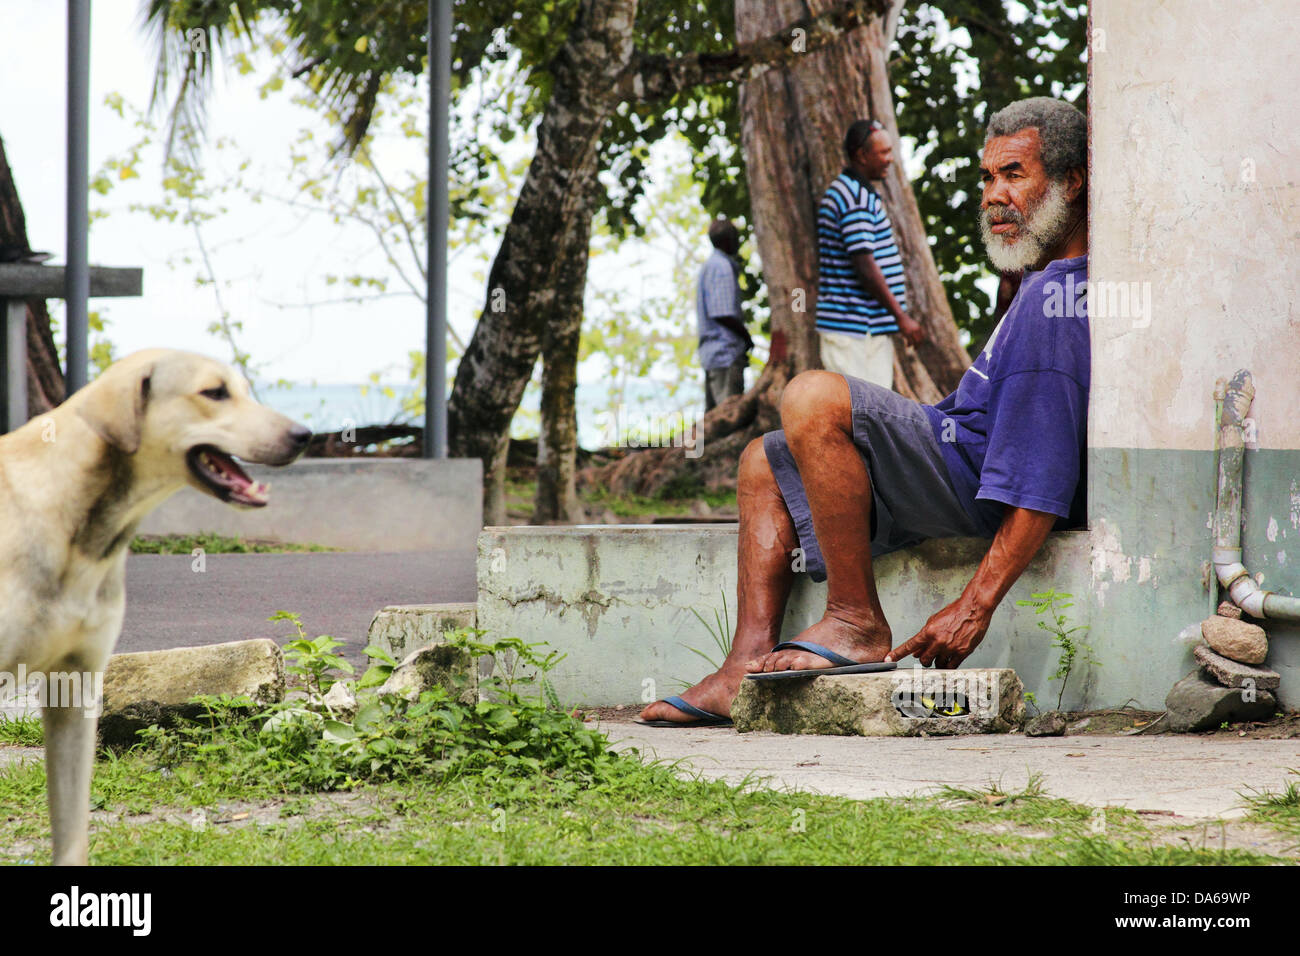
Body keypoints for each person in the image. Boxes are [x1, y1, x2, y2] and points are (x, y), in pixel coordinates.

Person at [640, 96, 1089, 726]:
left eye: (1014, 174)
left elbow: (1043, 476)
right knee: (761, 462)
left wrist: (974, 604)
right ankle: (743, 663)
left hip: (975, 477)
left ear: (1071, 182)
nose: (992, 194)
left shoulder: (1057, 295)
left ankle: (856, 621)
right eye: (987, 177)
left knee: (811, 396)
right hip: (955, 451)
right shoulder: (1040, 281)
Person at [814, 119, 926, 389]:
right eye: (883, 153)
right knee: (862, 417)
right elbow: (864, 264)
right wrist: (901, 317)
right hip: (855, 333)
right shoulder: (855, 198)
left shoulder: (853, 192)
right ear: (862, 155)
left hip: (861, 331)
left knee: (866, 415)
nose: (890, 159)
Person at [696, 218, 753, 412]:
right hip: (725, 353)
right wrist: (746, 338)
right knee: (728, 414)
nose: (738, 243)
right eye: (736, 238)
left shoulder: (709, 265)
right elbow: (723, 313)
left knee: (714, 418)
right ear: (727, 240)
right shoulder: (721, 266)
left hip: (713, 354)